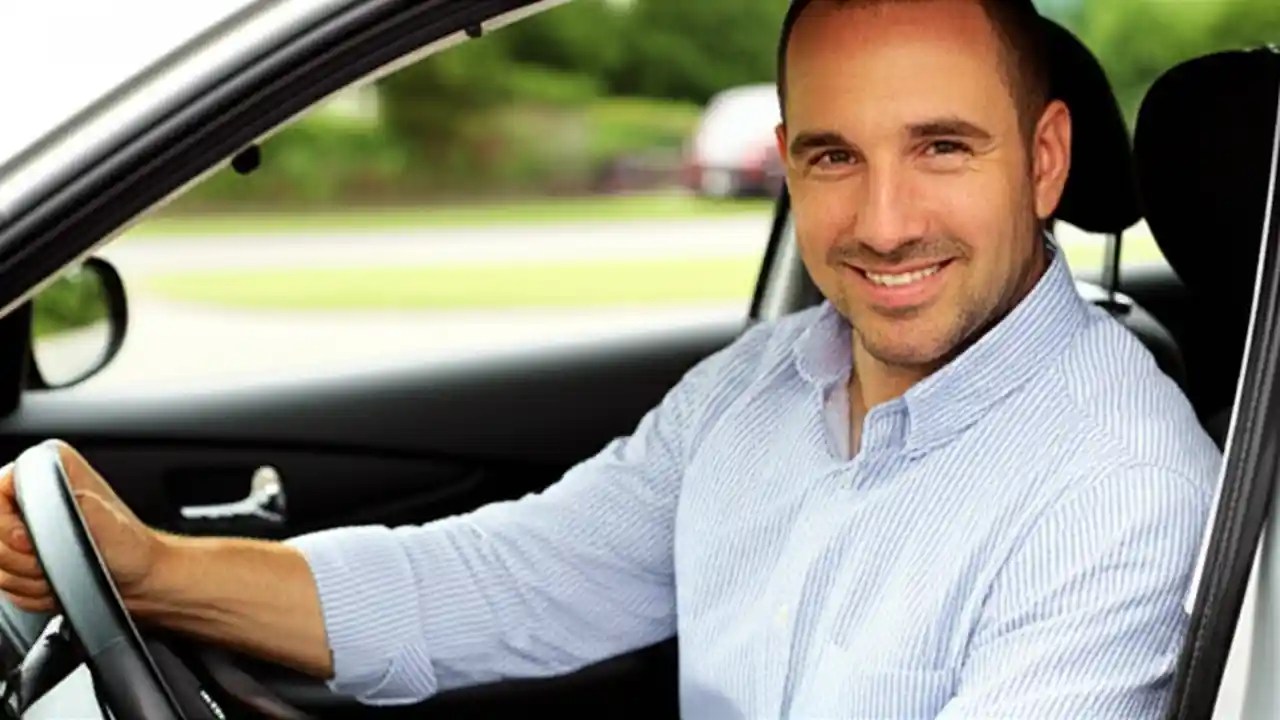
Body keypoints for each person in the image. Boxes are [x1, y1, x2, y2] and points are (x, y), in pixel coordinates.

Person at [0, 0, 1223, 717]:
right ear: (788, 160)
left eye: (941, 148)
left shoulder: (1113, 497)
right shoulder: (762, 383)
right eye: (834, 157)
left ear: (1043, 160)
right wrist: (151, 570)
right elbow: (505, 580)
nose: (884, 222)